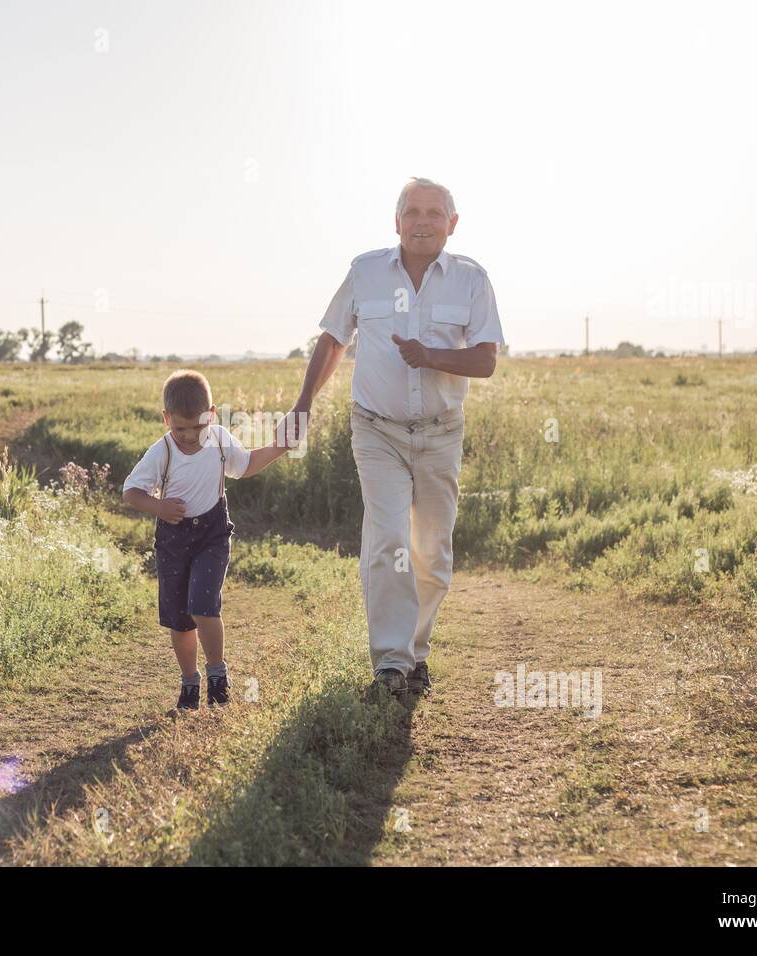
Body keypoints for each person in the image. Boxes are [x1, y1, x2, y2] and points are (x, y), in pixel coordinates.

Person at [287, 177, 505, 695]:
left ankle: (415, 652)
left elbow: (486, 360)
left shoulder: (472, 280)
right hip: (375, 429)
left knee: (432, 552)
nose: (423, 221)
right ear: (397, 221)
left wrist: (431, 356)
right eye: (413, 211)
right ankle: (389, 663)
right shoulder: (365, 271)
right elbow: (334, 338)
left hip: (441, 432)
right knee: (387, 542)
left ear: (452, 224)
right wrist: (303, 403)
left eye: (434, 213)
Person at [123, 369, 291, 709]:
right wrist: (158, 505)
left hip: (212, 536)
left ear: (211, 416)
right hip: (173, 541)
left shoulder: (220, 440)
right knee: (180, 618)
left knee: (203, 605)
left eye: (197, 427)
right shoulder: (162, 452)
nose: (188, 435)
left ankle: (217, 673)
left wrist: (280, 446)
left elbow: (246, 465)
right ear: (166, 419)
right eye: (179, 428)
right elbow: (131, 492)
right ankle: (189, 682)